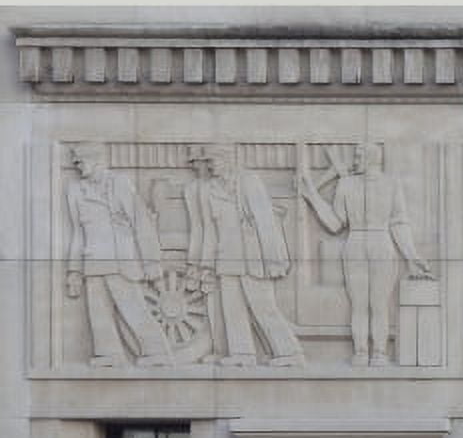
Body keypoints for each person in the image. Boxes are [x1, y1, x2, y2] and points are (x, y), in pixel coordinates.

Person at [299, 143, 432, 366]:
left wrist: (411, 255)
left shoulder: (389, 184)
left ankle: (378, 353)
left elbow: (398, 223)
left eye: (359, 156)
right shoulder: (349, 184)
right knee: (360, 305)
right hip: (359, 243)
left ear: (372, 158)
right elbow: (335, 223)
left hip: (375, 243)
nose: (354, 160)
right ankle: (362, 352)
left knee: (377, 304)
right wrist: (312, 196)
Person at [186, 144, 304, 367]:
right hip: (226, 256)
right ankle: (242, 354)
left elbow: (265, 222)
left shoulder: (248, 181)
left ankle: (290, 352)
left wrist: (274, 258)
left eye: (213, 160)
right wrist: (206, 264)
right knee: (232, 308)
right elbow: (210, 230)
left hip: (252, 257)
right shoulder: (210, 189)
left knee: (263, 306)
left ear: (227, 159)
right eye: (208, 162)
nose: (210, 166)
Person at [64, 143, 172, 367]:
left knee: (133, 308)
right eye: (75, 162)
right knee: (98, 313)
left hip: (120, 259)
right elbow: (77, 232)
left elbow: (141, 223)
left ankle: (158, 352)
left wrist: (152, 264)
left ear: (94, 159)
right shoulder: (75, 190)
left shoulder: (119, 183)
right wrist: (74, 270)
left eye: (80, 161)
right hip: (93, 259)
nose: (78, 166)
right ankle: (108, 355)